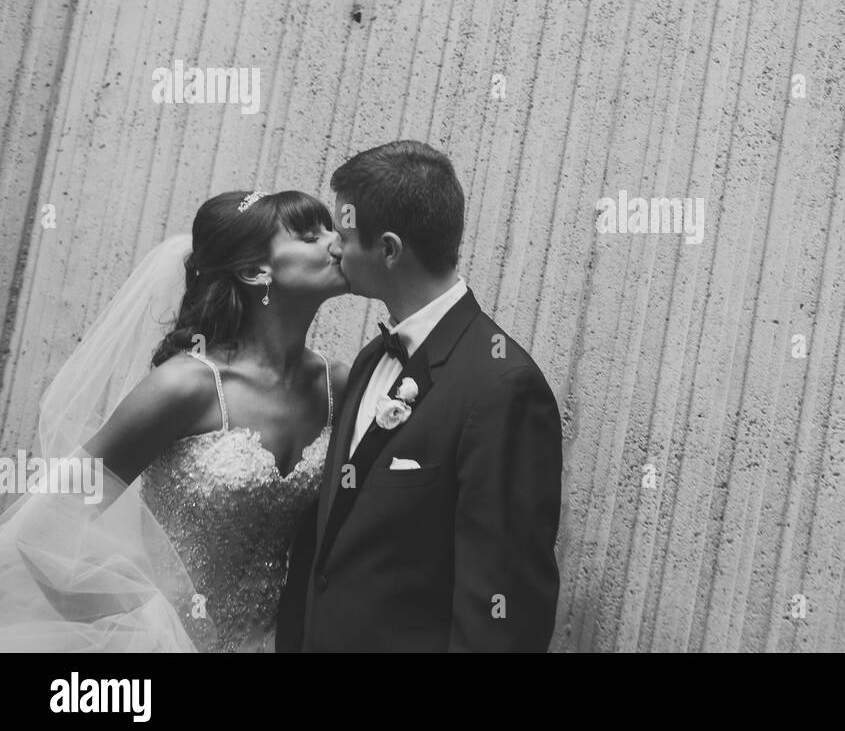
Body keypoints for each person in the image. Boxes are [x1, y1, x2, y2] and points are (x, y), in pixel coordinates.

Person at [0, 190, 350, 651]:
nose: (337, 241)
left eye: (331, 228)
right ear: (254, 271)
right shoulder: (184, 387)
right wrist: (150, 618)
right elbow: (46, 532)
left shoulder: (338, 385)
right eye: (310, 236)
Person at [282, 140, 563, 652]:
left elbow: (502, 615)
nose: (334, 248)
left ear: (389, 250)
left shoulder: (503, 387)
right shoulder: (370, 360)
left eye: (344, 234)